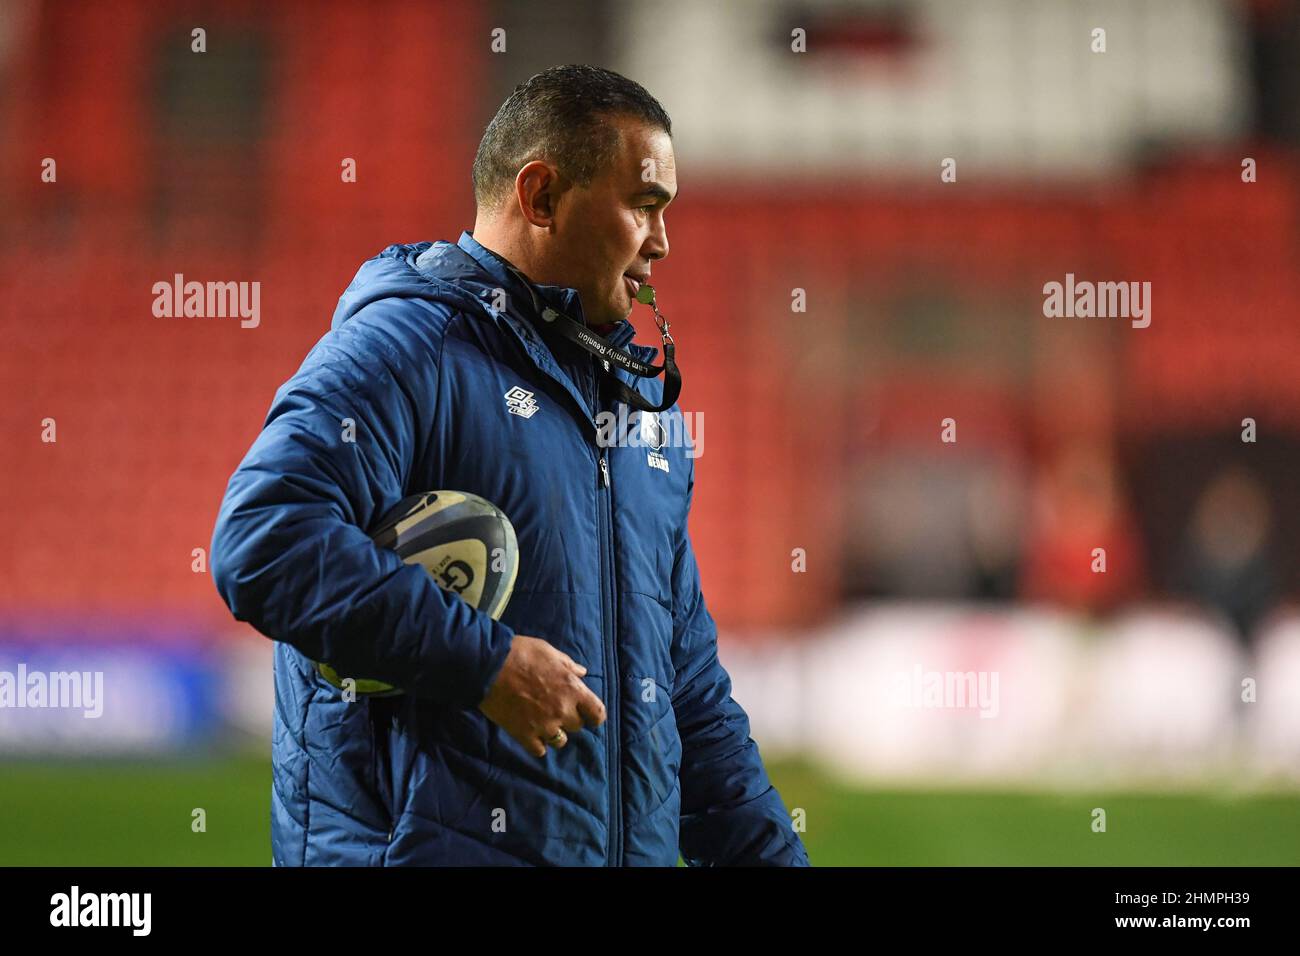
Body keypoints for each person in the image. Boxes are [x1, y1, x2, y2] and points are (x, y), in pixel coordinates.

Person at [211, 64, 808, 866]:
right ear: (541, 197)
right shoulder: (405, 352)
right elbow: (262, 541)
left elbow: (688, 702)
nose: (662, 241)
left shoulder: (641, 420)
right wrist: (484, 663)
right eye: (644, 205)